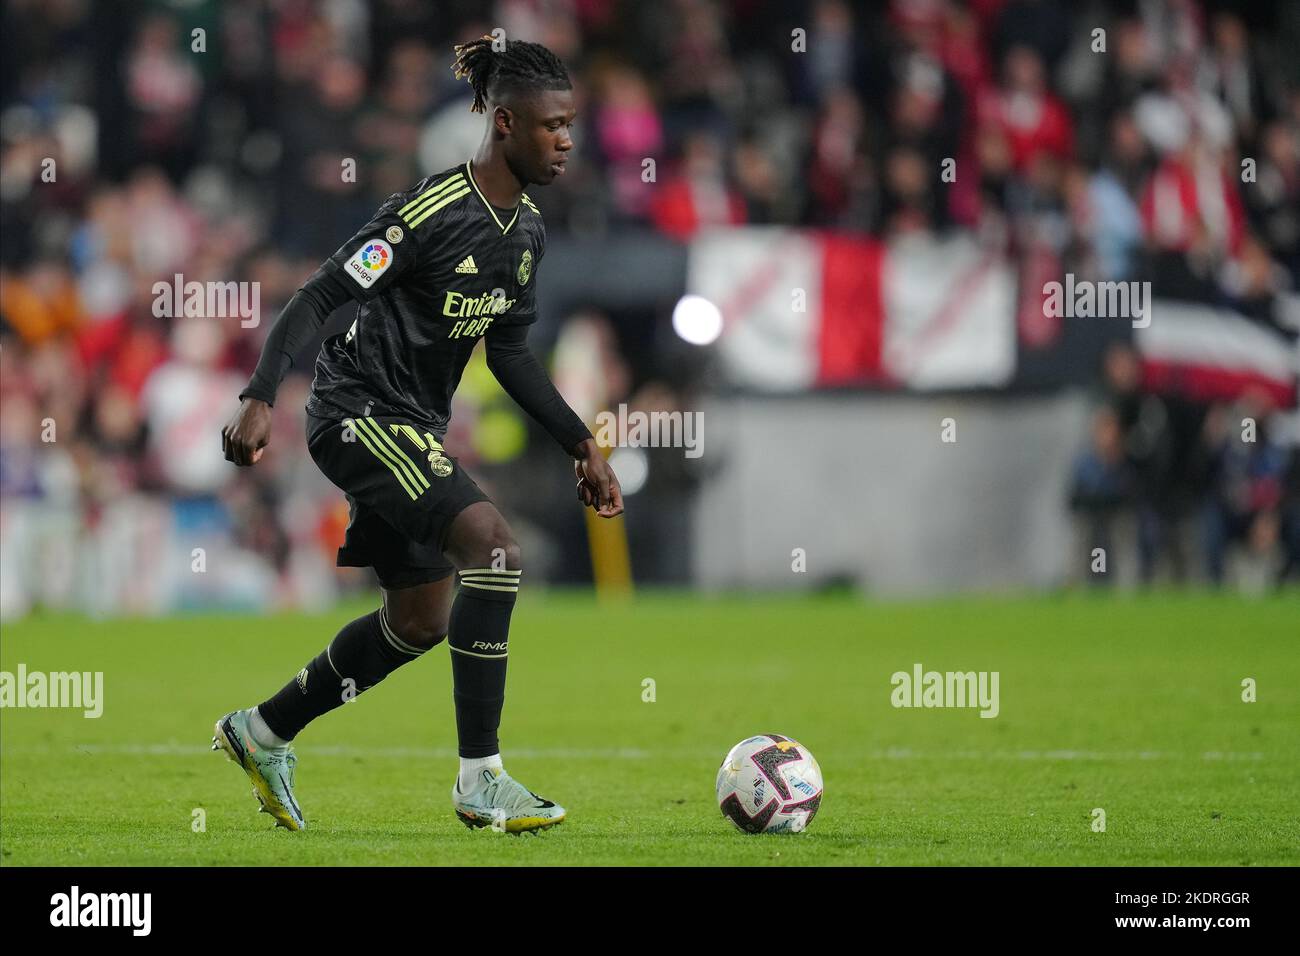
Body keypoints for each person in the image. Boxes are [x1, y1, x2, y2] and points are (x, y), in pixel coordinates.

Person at [213, 36, 623, 834]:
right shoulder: (429, 213)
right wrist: (261, 395)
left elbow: (508, 353)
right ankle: (482, 781)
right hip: (357, 413)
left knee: (420, 622)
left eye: (572, 124)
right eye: (552, 126)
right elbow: (319, 293)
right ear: (504, 124)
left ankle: (260, 733)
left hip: (412, 426)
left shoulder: (527, 234)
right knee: (497, 552)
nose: (568, 140)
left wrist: (581, 443)